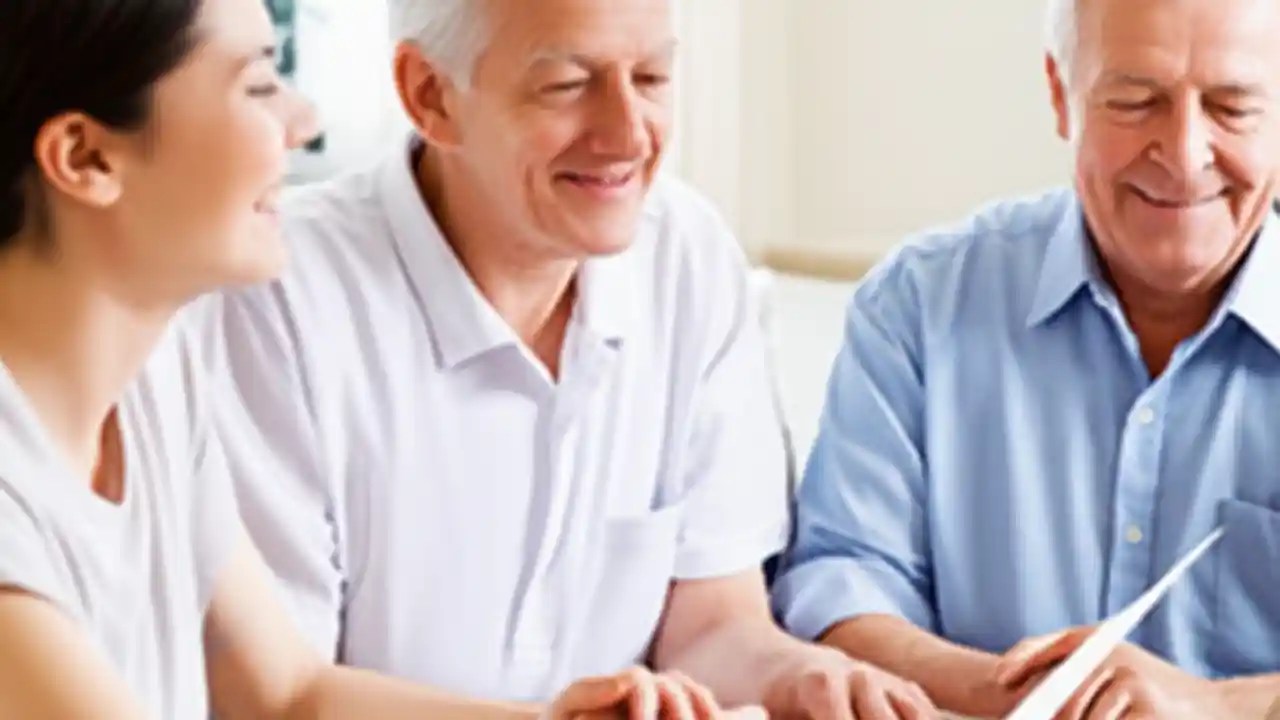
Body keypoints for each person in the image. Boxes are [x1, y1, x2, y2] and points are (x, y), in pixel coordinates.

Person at [0, 0, 752, 717]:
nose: (302, 121)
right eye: (258, 85)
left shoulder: (155, 390)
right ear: (85, 157)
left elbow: (289, 695)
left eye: (652, 77)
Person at [216, 0, 936, 718]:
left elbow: (714, 625)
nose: (628, 135)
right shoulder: (273, 294)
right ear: (430, 94)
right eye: (566, 85)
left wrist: (806, 677)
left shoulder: (687, 257)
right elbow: (279, 694)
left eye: (651, 78)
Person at [771, 0, 1280, 717]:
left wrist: (1214, 705)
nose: (1184, 153)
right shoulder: (920, 305)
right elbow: (841, 585)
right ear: (1060, 96)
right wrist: (1024, 693)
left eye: (1232, 108)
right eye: (1136, 102)